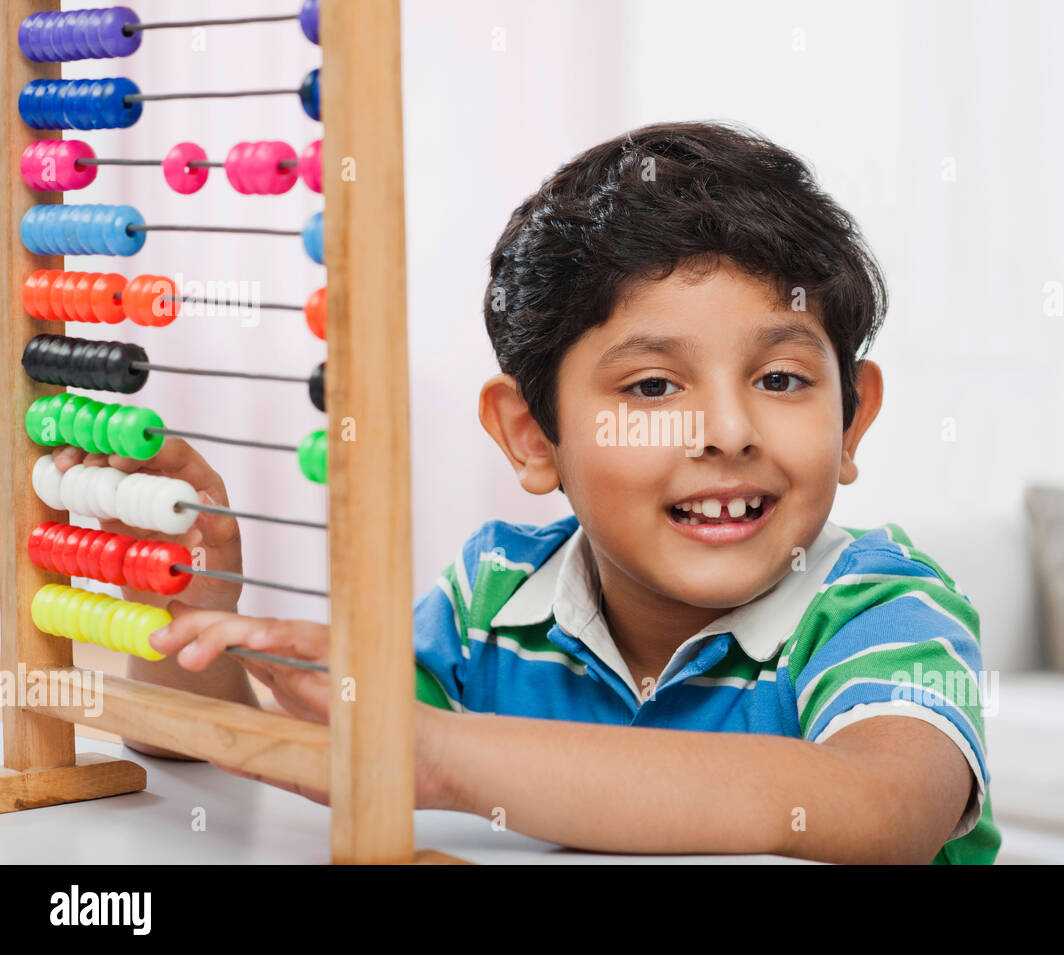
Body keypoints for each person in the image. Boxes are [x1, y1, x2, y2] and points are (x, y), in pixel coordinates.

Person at [55, 120, 1000, 864]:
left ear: (852, 420)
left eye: (782, 380)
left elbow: (881, 810)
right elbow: (311, 750)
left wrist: (438, 757)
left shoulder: (882, 606)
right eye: (654, 386)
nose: (728, 431)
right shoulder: (493, 595)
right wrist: (186, 612)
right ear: (532, 435)